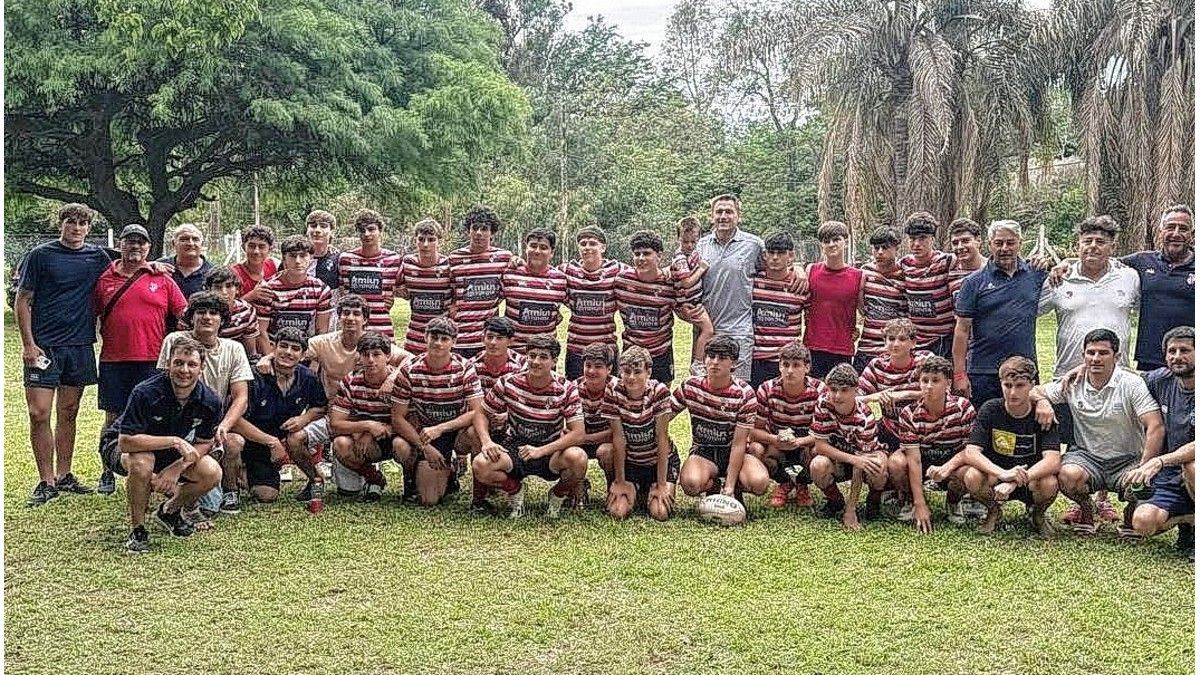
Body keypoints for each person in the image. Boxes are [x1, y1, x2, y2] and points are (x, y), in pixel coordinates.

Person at [18, 203, 120, 505]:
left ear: (89, 228)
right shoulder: (40, 256)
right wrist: (28, 344)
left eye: (82, 223)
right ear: (60, 224)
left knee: (69, 412)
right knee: (39, 413)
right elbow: (23, 300)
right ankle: (45, 480)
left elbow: (126, 266)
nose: (76, 228)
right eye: (70, 222)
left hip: (79, 345)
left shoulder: (97, 257)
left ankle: (64, 475)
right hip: (44, 345)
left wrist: (157, 266)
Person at [1033, 329, 1165, 534]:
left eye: (1103, 353)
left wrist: (1144, 466)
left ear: (1117, 356)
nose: (1095, 358)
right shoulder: (1073, 382)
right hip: (1087, 457)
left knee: (1144, 483)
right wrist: (1042, 401)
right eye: (1090, 352)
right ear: (1083, 355)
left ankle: (1130, 513)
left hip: (1128, 458)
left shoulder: (1131, 384)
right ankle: (1087, 509)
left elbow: (1155, 425)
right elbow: (1034, 390)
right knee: (1067, 475)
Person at [99, 336, 223, 552]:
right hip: (125, 446)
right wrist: (175, 441)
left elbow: (205, 442)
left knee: (212, 471)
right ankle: (138, 530)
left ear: (202, 368)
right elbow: (126, 441)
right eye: (178, 363)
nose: (184, 370)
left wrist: (177, 468)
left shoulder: (210, 401)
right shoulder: (146, 392)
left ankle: (169, 511)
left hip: (169, 452)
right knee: (143, 462)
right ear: (168, 363)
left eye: (192, 364)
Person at [94, 225, 188, 494]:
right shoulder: (104, 279)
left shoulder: (163, 278)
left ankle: (149, 467)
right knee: (113, 417)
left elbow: (184, 314)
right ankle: (107, 470)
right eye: (130, 242)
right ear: (121, 244)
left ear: (149, 247)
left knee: (151, 417)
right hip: (115, 359)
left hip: (153, 361)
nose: (135, 247)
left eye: (141, 243)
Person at [292, 295, 411, 495]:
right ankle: (317, 480)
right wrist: (269, 358)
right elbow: (294, 350)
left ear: (365, 319)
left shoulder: (376, 344)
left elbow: (412, 359)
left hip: (377, 418)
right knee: (297, 439)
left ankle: (410, 484)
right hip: (339, 413)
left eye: (357, 313)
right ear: (338, 317)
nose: (350, 318)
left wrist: (392, 378)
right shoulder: (325, 343)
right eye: (345, 313)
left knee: (398, 446)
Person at [471, 334, 587, 519]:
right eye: (532, 355)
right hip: (515, 446)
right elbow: (481, 413)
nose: (536, 361)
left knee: (578, 458)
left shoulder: (566, 388)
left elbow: (578, 433)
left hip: (549, 448)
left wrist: (540, 451)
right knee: (480, 465)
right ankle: (515, 490)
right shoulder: (509, 382)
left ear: (554, 361)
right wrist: (486, 442)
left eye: (543, 357)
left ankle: (557, 494)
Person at [158, 292, 254, 516]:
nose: (207, 317)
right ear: (191, 317)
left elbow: (241, 397)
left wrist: (224, 426)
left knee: (234, 442)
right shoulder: (174, 341)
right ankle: (177, 488)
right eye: (201, 312)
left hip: (212, 424)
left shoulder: (234, 348)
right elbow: (163, 385)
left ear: (222, 320)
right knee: (205, 502)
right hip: (178, 425)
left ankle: (229, 490)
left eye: (214, 313)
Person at [958, 356, 1062, 536]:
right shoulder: (990, 409)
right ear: (1001, 384)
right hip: (997, 478)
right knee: (972, 476)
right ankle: (993, 511)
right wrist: (1002, 474)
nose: (1013, 392)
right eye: (1007, 385)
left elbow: (1053, 461)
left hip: (1031, 478)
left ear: (1032, 385)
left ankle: (1038, 515)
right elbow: (971, 452)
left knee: (1049, 483)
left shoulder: (1044, 414)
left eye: (1020, 386)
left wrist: (1016, 480)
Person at [952, 220, 1047, 409]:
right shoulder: (973, 282)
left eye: (1010, 243)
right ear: (990, 245)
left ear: (1020, 242)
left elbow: (1064, 275)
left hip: (1025, 370)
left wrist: (1062, 265)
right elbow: (962, 330)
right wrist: (959, 375)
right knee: (985, 429)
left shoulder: (1036, 274)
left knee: (1024, 428)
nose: (1004, 248)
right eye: (999, 243)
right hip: (984, 371)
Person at [390, 317, 485, 506]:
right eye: (434, 337)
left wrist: (441, 428)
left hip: (456, 431)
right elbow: (397, 418)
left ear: (454, 342)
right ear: (425, 337)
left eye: (444, 338)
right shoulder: (409, 370)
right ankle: (416, 482)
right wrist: (425, 447)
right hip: (424, 435)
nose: (438, 343)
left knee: (475, 433)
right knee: (428, 500)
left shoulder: (465, 368)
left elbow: (477, 412)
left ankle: (480, 496)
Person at [230, 328, 327, 508]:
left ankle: (314, 480)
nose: (288, 352)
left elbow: (320, 407)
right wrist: (272, 442)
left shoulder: (308, 378)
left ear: (303, 354)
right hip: (248, 439)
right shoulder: (253, 376)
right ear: (273, 348)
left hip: (268, 446)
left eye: (295, 348)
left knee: (267, 495)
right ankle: (234, 477)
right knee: (234, 443)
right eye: (283, 346)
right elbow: (234, 420)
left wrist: (304, 418)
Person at [672, 336, 770, 507]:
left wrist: (730, 487)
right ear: (704, 359)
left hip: (734, 451)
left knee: (759, 483)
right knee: (690, 484)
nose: (715, 362)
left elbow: (739, 444)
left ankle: (734, 487)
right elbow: (664, 414)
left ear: (734, 363)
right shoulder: (690, 386)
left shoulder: (745, 394)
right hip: (703, 451)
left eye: (722, 358)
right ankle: (714, 485)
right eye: (711, 356)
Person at [1039, 216, 1140, 377]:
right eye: (1087, 241)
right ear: (1078, 245)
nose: (1093, 246)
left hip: (1117, 378)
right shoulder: (1058, 279)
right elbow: (1026, 310)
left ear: (1112, 247)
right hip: (1068, 377)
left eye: (1100, 242)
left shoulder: (1129, 277)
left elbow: (1153, 310)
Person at [1127, 327, 1195, 559]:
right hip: (1171, 476)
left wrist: (1159, 461)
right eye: (1171, 351)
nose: (1177, 356)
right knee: (1142, 522)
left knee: (1193, 465)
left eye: (1185, 350)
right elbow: (1123, 376)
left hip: (1189, 469)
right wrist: (1082, 368)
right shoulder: (1161, 380)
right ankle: (1190, 521)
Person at [889, 356, 977, 533]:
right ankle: (909, 499)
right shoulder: (909, 413)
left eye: (936, 380)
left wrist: (947, 467)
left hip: (954, 460)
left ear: (948, 384)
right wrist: (919, 503)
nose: (929, 386)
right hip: (921, 459)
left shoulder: (964, 409)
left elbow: (970, 450)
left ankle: (954, 501)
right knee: (896, 463)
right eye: (924, 380)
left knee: (969, 472)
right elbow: (914, 460)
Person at [601, 346, 679, 521]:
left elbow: (662, 438)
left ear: (649, 372)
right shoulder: (613, 391)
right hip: (633, 461)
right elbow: (619, 438)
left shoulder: (659, 392)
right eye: (626, 372)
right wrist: (620, 481)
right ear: (620, 371)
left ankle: (650, 487)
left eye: (637, 372)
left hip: (656, 460)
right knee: (617, 513)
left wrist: (661, 484)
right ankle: (631, 487)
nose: (631, 377)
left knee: (660, 513)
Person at [808, 363, 888, 530]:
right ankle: (835, 501)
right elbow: (820, 446)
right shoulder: (823, 403)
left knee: (878, 467)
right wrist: (853, 459)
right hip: (841, 457)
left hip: (865, 457)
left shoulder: (864, 417)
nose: (837, 396)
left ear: (856, 390)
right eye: (833, 389)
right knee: (818, 464)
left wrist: (851, 511)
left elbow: (860, 466)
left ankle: (873, 501)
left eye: (844, 390)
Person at [697, 194, 765, 382]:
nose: (723, 216)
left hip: (740, 330)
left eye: (729, 211)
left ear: (739, 216)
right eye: (718, 212)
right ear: (711, 216)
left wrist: (800, 270)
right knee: (705, 387)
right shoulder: (701, 246)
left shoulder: (754, 245)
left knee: (738, 388)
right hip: (708, 330)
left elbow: (777, 267)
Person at [1118, 204, 1194, 371]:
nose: (1176, 233)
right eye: (1170, 227)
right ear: (1161, 232)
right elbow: (1103, 264)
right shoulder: (1142, 261)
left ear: (1192, 234)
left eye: (1183, 228)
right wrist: (1066, 263)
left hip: (1191, 360)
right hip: (1150, 359)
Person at [749, 341, 823, 508]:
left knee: (818, 450)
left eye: (796, 365)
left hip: (807, 441)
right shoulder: (766, 389)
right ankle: (784, 482)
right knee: (756, 449)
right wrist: (775, 440)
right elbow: (754, 432)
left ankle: (800, 484)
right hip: (777, 442)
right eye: (785, 365)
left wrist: (800, 442)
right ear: (779, 366)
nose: (790, 371)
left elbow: (826, 432)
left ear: (807, 367)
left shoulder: (819, 390)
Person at [329, 333, 400, 501]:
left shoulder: (400, 381)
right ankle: (374, 478)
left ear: (388, 356)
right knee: (341, 444)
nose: (370, 360)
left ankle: (411, 485)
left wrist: (379, 430)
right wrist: (368, 426)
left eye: (376, 354)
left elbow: (413, 421)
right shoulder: (350, 381)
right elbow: (336, 423)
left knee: (402, 446)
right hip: (365, 437)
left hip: (398, 435)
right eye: (365, 354)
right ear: (358, 356)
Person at [615, 230, 690, 386]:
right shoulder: (621, 280)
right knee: (629, 400)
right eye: (637, 254)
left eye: (647, 253)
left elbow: (685, 310)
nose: (641, 258)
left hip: (660, 354)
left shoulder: (671, 283)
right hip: (631, 352)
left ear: (659, 256)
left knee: (662, 400)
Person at [448, 205, 514, 359]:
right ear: (468, 230)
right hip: (459, 339)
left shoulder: (503, 258)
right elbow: (449, 289)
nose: (479, 233)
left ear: (492, 233)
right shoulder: (454, 258)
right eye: (475, 228)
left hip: (488, 340)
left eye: (484, 229)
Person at [856, 318, 928, 457]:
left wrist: (904, 395)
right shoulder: (877, 365)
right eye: (891, 338)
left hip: (921, 430)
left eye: (902, 339)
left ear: (913, 343)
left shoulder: (924, 362)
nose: (896, 344)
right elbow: (854, 399)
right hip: (889, 430)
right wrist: (876, 397)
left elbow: (941, 392)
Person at [253, 235, 333, 354]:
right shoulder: (268, 289)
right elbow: (261, 331)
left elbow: (321, 332)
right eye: (293, 256)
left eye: (303, 255)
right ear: (284, 258)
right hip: (275, 353)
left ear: (311, 258)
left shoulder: (321, 290)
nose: (297, 261)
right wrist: (271, 360)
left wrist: (313, 364)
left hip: (306, 353)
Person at [561, 227, 623, 380]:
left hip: (606, 350)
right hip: (577, 351)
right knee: (575, 395)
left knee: (610, 396)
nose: (587, 247)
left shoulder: (617, 270)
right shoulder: (568, 270)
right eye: (583, 243)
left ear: (603, 247)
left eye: (592, 243)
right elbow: (544, 274)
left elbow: (642, 273)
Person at [804, 221, 864, 378]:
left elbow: (864, 310)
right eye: (826, 241)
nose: (831, 244)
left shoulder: (858, 276)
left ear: (845, 241)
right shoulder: (811, 270)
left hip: (842, 347)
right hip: (813, 346)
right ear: (821, 245)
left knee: (839, 394)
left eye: (836, 239)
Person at [750, 232, 808, 387]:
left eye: (781, 253)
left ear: (791, 256)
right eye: (771, 252)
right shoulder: (752, 283)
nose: (775, 257)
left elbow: (812, 322)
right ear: (764, 255)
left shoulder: (800, 286)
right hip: (757, 361)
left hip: (787, 362)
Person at [338, 209, 404, 339]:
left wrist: (391, 298)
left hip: (382, 328)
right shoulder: (345, 259)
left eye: (371, 229)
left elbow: (405, 291)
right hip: (353, 330)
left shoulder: (394, 260)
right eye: (362, 230)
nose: (367, 234)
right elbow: (342, 292)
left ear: (380, 231)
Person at [502, 229, 569, 352]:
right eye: (533, 246)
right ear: (525, 248)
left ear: (552, 252)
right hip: (513, 353)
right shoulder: (509, 274)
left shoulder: (561, 279)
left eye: (543, 247)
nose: (537, 251)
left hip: (546, 354)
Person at [900, 212, 956, 357]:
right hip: (915, 341)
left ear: (932, 239)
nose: (916, 244)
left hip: (943, 341)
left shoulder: (947, 262)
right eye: (912, 239)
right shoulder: (904, 264)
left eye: (922, 238)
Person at [854, 226, 907, 372]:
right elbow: (860, 305)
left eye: (885, 247)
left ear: (896, 248)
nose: (880, 252)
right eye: (876, 248)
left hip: (893, 351)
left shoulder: (905, 276)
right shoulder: (865, 272)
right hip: (866, 349)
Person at [399, 219, 454, 354]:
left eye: (431, 239)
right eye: (421, 239)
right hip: (414, 338)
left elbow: (458, 295)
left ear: (440, 241)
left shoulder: (448, 266)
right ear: (415, 240)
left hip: (441, 340)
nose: (425, 244)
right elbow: (395, 287)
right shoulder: (407, 264)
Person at [670, 216, 715, 374]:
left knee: (704, 330)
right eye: (685, 241)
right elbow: (687, 282)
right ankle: (697, 362)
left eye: (693, 241)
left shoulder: (693, 253)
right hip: (691, 302)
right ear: (678, 239)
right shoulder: (680, 258)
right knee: (708, 330)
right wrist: (702, 268)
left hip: (695, 300)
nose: (689, 245)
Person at [575, 342, 616, 504]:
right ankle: (577, 485)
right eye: (588, 365)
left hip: (606, 441)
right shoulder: (573, 389)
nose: (591, 371)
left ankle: (613, 486)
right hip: (579, 440)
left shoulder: (617, 389)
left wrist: (585, 438)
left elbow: (617, 431)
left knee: (607, 452)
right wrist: (577, 438)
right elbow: (566, 428)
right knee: (568, 447)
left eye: (598, 366)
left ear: (610, 369)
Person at [190, 266, 260, 358]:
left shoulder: (246, 312)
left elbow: (250, 352)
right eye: (218, 287)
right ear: (208, 289)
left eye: (229, 286)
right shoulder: (196, 310)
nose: (224, 292)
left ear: (237, 289)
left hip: (232, 359)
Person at [156, 223, 213, 299]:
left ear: (201, 244)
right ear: (173, 243)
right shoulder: (160, 266)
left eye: (195, 239)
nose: (190, 243)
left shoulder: (212, 271)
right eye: (184, 239)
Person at [231, 225, 278, 297]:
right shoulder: (234, 273)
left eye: (262, 246)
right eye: (251, 246)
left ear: (270, 249)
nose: (256, 251)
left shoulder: (274, 266)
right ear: (243, 247)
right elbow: (226, 305)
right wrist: (251, 296)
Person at [947, 217, 987, 300]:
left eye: (965, 241)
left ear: (978, 241)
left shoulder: (993, 269)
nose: (960, 247)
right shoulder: (949, 271)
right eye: (955, 243)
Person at [305, 209, 341, 292]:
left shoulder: (339, 259)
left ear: (332, 232)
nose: (317, 230)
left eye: (323, 226)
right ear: (307, 230)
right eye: (313, 226)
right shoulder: (296, 257)